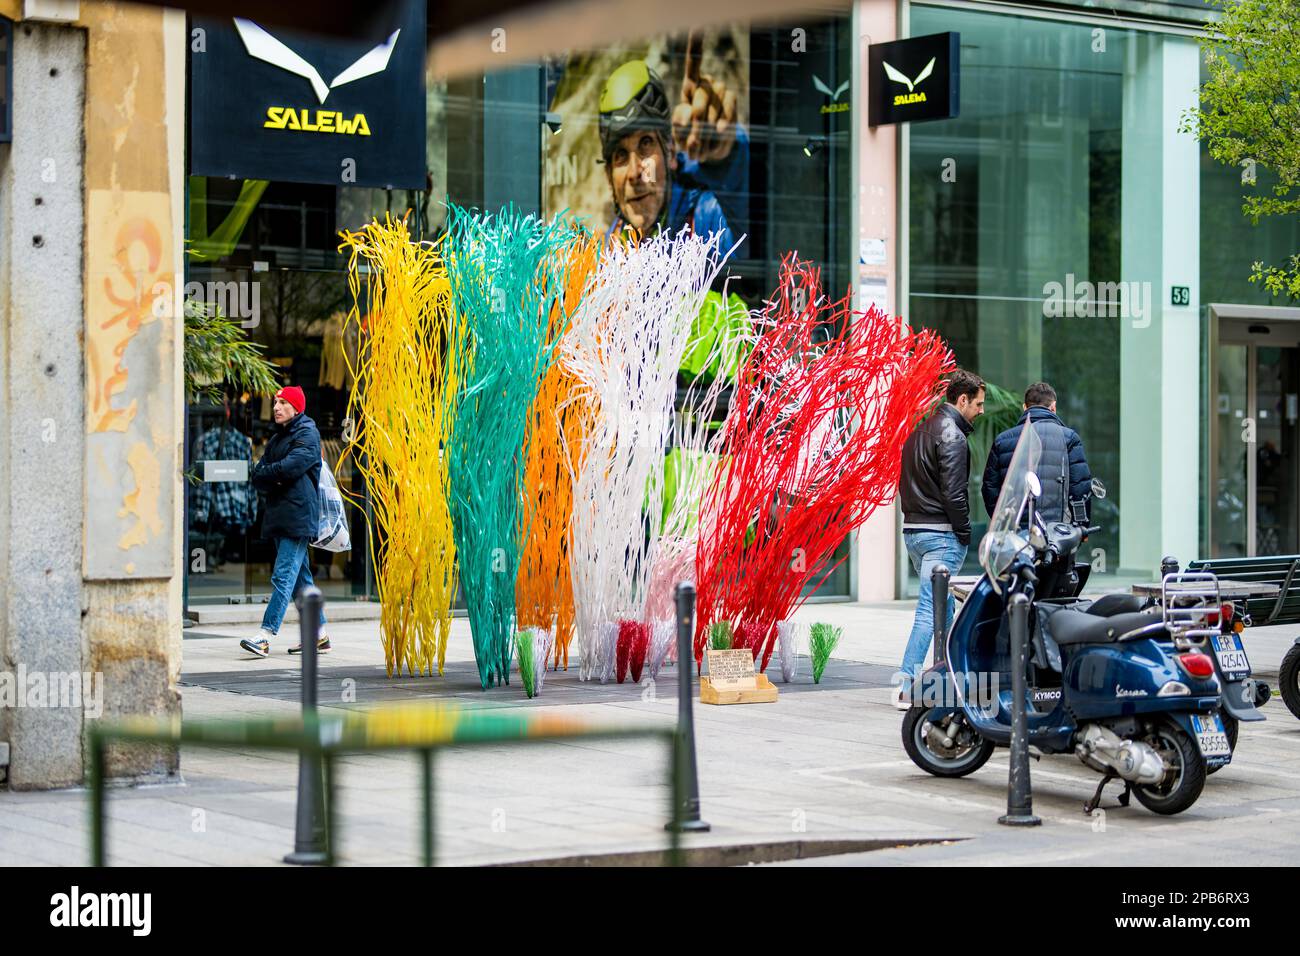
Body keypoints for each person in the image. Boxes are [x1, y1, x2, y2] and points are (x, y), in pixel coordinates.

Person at [896, 369, 985, 709]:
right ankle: (906, 684)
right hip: (940, 535)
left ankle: (946, 678)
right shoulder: (952, 436)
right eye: (977, 404)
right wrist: (965, 531)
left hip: (915, 532)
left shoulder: (920, 430)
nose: (980, 411)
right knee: (929, 612)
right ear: (961, 400)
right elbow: (954, 493)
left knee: (944, 612)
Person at [598, 54, 749, 254]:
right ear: (609, 176)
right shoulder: (613, 245)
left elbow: (748, 238)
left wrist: (726, 158)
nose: (634, 173)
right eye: (621, 155)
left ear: (670, 153)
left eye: (645, 143)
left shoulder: (708, 220)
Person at [239, 385, 330, 658]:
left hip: (297, 517)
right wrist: (274, 473)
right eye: (276, 402)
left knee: (283, 575)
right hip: (281, 515)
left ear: (296, 407)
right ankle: (319, 635)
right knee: (301, 578)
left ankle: (265, 636)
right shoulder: (279, 437)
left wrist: (273, 473)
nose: (276, 407)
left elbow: (291, 467)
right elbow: (257, 474)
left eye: (282, 403)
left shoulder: (308, 434)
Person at [981, 381, 1093, 525]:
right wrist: (1081, 526)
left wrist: (1004, 521)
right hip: (1056, 533)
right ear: (1053, 406)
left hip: (1015, 534)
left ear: (1024, 407)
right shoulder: (1069, 438)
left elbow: (990, 488)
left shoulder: (1002, 441)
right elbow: (1080, 487)